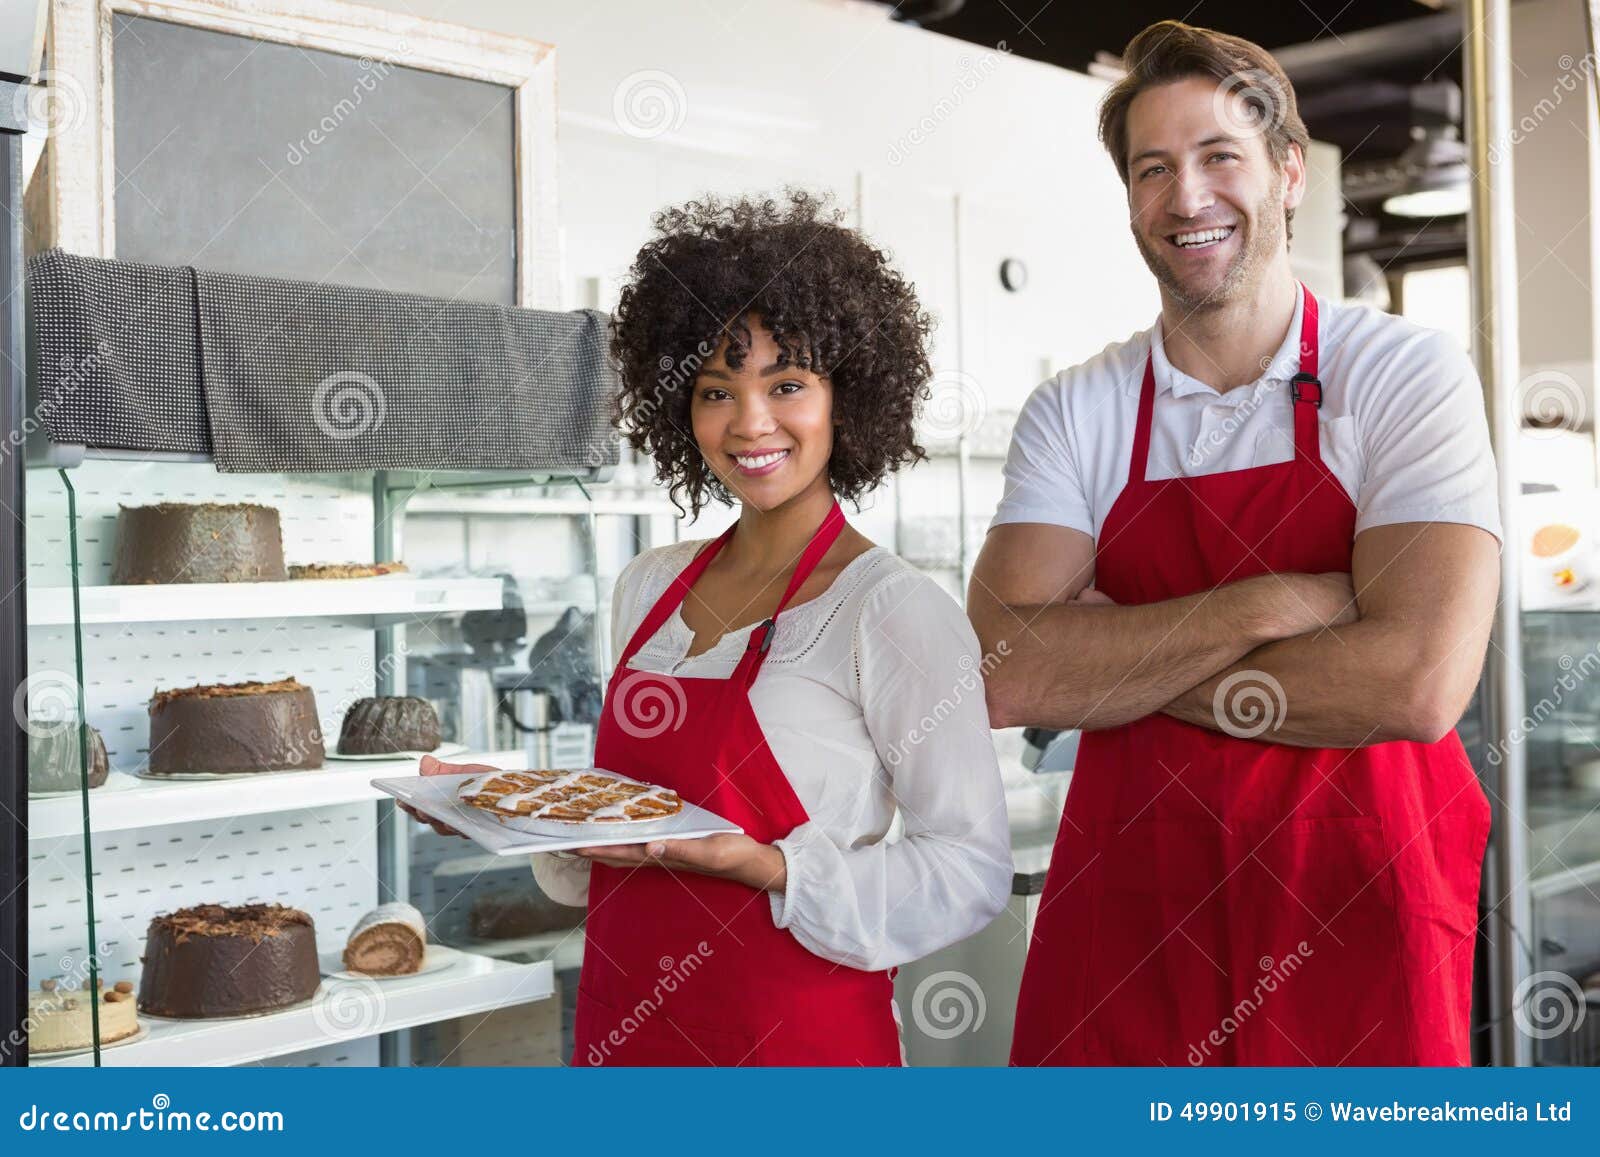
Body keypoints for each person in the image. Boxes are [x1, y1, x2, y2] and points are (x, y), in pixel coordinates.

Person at [968, 22, 1500, 1066]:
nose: (1187, 196)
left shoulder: (1402, 375)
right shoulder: (1078, 408)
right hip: (1130, 904)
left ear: (1287, 171)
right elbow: (1003, 671)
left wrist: (1113, 658)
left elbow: (1418, 679)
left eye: (1220, 156)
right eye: (1152, 168)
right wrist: (1264, 606)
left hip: (1351, 896)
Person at [421, 191, 1011, 1066]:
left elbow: (969, 868)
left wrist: (771, 867)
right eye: (714, 390)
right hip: (628, 1031)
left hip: (796, 1050)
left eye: (786, 384)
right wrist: (514, 808)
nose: (750, 422)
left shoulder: (892, 608)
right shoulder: (649, 584)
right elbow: (620, 822)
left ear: (848, 394)